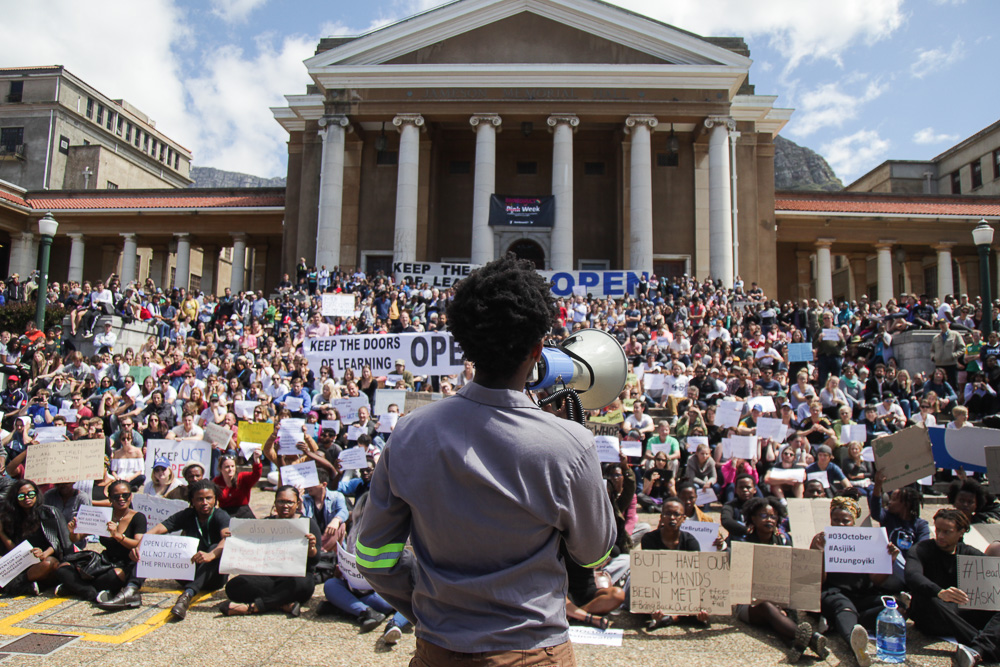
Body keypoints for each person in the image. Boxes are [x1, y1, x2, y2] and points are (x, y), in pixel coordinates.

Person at [357, 255, 615, 663]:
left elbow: (372, 555)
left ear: (466, 344)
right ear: (537, 349)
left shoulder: (408, 433)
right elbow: (595, 553)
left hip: (438, 649)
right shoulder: (572, 443)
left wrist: (431, 606)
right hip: (533, 651)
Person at [809, 496, 900, 667]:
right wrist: (820, 554)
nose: (840, 525)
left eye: (845, 521)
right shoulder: (821, 540)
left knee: (895, 606)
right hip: (834, 594)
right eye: (835, 520)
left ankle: (838, 622)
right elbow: (817, 581)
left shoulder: (867, 541)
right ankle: (856, 645)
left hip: (861, 595)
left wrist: (889, 561)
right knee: (844, 607)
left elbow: (877, 581)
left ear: (853, 522)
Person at [905, 508, 1000, 667]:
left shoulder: (969, 553)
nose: (940, 536)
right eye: (938, 530)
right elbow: (912, 575)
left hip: (961, 614)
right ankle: (985, 646)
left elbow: (993, 577)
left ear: (961, 532)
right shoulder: (922, 549)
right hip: (933, 614)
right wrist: (940, 592)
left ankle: (977, 648)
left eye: (947, 532)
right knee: (927, 598)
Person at [738, 495, 828, 662]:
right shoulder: (743, 543)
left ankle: (797, 645)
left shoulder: (784, 541)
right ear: (753, 518)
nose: (769, 520)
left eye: (773, 516)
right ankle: (813, 639)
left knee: (777, 617)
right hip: (750, 602)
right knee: (766, 606)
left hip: (781, 598)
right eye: (764, 516)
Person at [131, 479, 230, 620]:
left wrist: (211, 555)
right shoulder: (187, 514)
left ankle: (187, 596)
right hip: (188, 571)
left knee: (215, 547)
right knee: (151, 544)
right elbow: (160, 528)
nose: (205, 502)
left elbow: (226, 538)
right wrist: (141, 544)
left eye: (209, 498)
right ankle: (131, 588)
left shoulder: (221, 515)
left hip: (213, 576)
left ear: (215, 499)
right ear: (192, 501)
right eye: (199, 499)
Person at [220, 486, 319, 617]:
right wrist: (235, 538)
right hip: (269, 576)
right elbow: (251, 547)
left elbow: (315, 560)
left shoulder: (308, 524)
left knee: (304, 585)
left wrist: (311, 548)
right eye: (281, 501)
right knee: (234, 586)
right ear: (275, 502)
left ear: (297, 504)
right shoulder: (267, 524)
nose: (285, 506)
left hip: (293, 577)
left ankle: (254, 607)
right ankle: (280, 603)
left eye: (290, 502)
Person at [56, 480, 147, 607]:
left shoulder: (138, 517)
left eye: (125, 495)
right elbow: (76, 538)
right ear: (110, 499)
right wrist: (73, 531)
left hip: (124, 564)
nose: (121, 499)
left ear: (130, 496)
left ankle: (76, 587)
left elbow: (137, 544)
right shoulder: (103, 515)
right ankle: (91, 592)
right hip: (104, 561)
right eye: (116, 496)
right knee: (63, 568)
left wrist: (117, 536)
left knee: (116, 575)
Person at [641, 497, 724, 630]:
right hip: (658, 587)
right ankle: (680, 616)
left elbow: (695, 576)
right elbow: (648, 575)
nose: (672, 518)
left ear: (684, 518)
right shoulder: (649, 539)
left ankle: (674, 617)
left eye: (677, 514)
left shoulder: (690, 541)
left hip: (682, 589)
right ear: (661, 517)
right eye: (668, 514)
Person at [0, 479, 73, 595]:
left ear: (36, 494)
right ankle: (32, 585)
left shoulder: (49, 512)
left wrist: (43, 554)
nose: (27, 498)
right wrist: (1, 533)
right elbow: (13, 551)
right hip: (23, 563)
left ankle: (15, 585)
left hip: (45, 560)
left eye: (31, 494)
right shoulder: (10, 517)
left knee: (48, 564)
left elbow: (57, 542)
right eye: (21, 496)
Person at [212, 451, 262, 519]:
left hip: (243, 511)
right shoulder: (216, 481)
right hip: (225, 512)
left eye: (232, 466)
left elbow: (256, 474)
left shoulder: (242, 477)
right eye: (227, 467)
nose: (230, 469)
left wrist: (256, 460)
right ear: (220, 469)